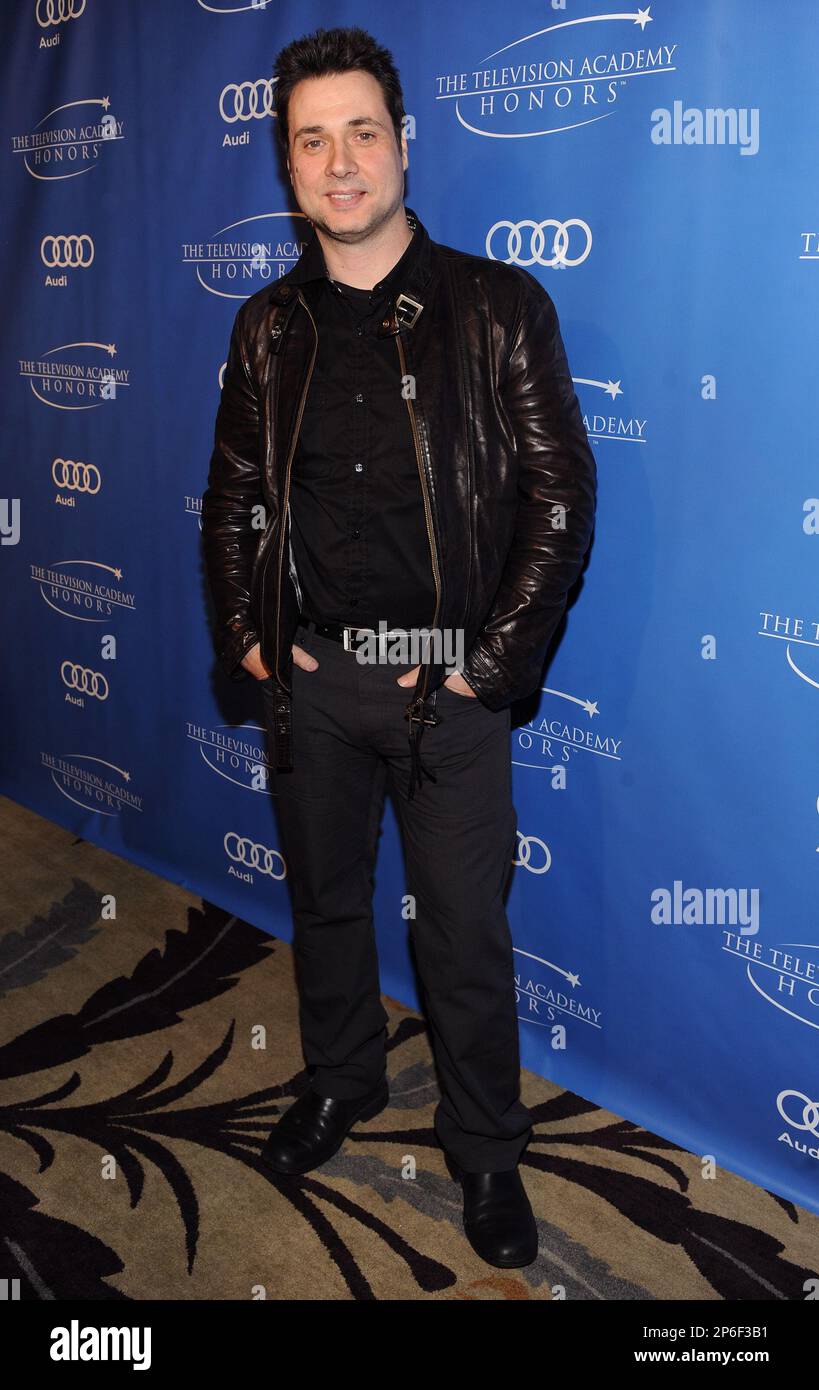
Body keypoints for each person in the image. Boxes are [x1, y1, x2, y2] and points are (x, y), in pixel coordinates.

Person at [201, 25, 597, 1269]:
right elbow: (233, 495)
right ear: (287, 166)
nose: (341, 161)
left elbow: (559, 497)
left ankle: (486, 1149)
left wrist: (488, 663)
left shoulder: (496, 306)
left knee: (462, 934)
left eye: (362, 131)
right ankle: (340, 1080)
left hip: (452, 681)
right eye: (312, 140)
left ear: (404, 144)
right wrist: (249, 638)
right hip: (313, 678)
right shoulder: (267, 328)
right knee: (325, 906)